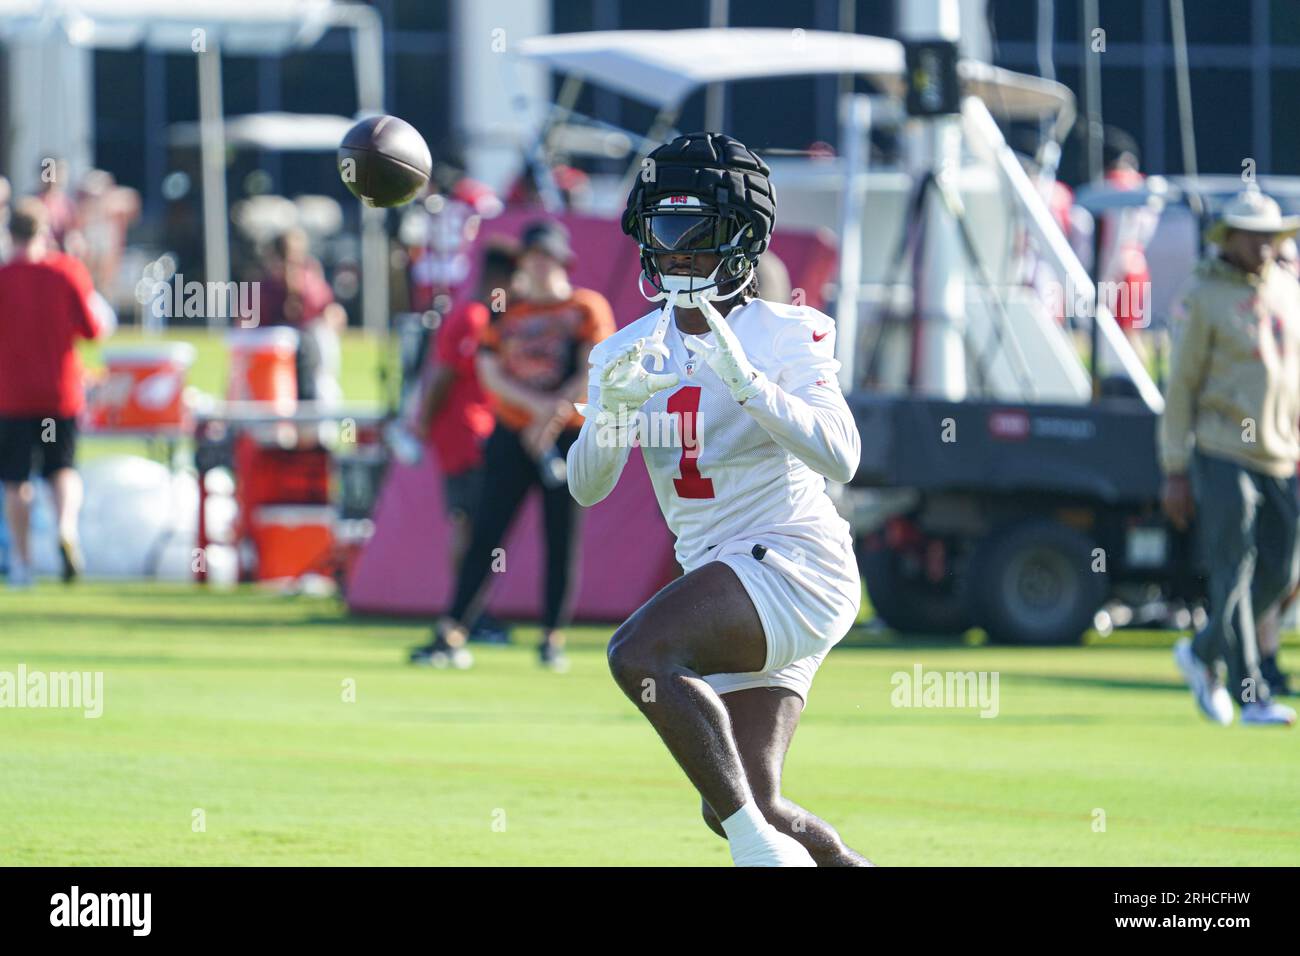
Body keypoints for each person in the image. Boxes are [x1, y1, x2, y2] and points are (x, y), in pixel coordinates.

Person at [567, 132, 869, 866]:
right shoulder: (626, 351)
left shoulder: (787, 330)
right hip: (725, 575)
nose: (677, 253)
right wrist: (609, 413)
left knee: (640, 652)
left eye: (696, 234)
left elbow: (843, 455)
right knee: (743, 800)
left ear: (740, 242)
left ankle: (754, 853)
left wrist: (751, 387)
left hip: (796, 560)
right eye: (663, 232)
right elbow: (587, 485)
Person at [409, 220, 614, 670]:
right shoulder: (507, 308)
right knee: (487, 531)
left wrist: (553, 414)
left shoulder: (584, 307)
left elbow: (593, 369)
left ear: (561, 260)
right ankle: (454, 627)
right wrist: (535, 411)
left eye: (545, 257)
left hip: (568, 435)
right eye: (531, 257)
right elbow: (490, 371)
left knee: (561, 536)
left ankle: (552, 636)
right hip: (514, 432)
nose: (538, 267)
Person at [1161, 188, 1300, 727]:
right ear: (1231, 238)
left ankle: (1201, 651)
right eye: (1252, 235)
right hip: (1222, 447)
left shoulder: (1288, 290)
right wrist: (1175, 467)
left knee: (1279, 569)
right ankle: (1252, 694)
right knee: (1234, 565)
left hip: (1280, 452)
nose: (1263, 245)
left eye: (1269, 236)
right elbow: (1181, 388)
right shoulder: (1203, 295)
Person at [0, 200, 104, 586]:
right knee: (61, 469)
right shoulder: (67, 272)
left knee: (15, 479)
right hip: (59, 395)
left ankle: (24, 564)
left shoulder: (4, 277)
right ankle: (65, 529)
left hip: (11, 396)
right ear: (44, 231)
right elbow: (93, 329)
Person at [413, 240, 517, 574]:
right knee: (471, 524)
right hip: (466, 434)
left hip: (468, 431)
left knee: (472, 523)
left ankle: (469, 609)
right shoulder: (473, 317)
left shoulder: (476, 314)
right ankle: (468, 609)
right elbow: (443, 375)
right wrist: (425, 423)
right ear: (501, 277)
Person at [259, 228, 345, 403]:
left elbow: (330, 313)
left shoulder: (311, 280)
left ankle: (321, 403)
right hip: (276, 356)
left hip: (311, 351)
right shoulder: (266, 287)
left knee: (320, 337)